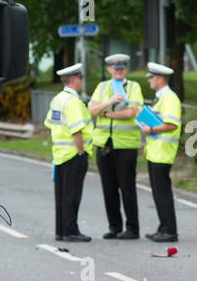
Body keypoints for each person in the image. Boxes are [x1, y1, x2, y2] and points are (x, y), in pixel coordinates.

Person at [87, 54, 144, 239]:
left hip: (126, 144)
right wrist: (109, 103)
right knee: (108, 187)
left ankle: (132, 228)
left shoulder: (133, 86)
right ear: (109, 69)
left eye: (121, 68)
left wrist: (106, 114)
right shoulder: (102, 87)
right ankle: (114, 227)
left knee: (127, 188)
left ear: (125, 69)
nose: (118, 71)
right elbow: (91, 110)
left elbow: (133, 112)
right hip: (104, 144)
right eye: (115, 68)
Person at [45, 64, 94, 242]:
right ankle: (71, 231)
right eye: (80, 79)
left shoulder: (58, 99)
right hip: (74, 154)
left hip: (59, 154)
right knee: (72, 195)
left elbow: (50, 124)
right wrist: (81, 153)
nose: (81, 82)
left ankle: (61, 231)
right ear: (74, 80)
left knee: (62, 195)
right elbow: (77, 131)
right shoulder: (73, 102)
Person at [140, 61, 181, 243]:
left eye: (151, 78)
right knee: (158, 193)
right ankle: (163, 228)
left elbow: (171, 124)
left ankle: (169, 231)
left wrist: (151, 130)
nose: (149, 81)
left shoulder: (169, 98)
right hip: (155, 152)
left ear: (159, 78)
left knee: (162, 193)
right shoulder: (161, 97)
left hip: (163, 152)